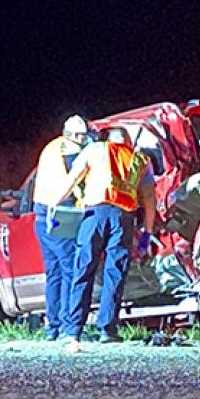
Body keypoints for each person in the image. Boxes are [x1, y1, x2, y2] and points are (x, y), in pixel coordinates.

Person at [54, 126, 155, 352]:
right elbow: (149, 199)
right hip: (123, 219)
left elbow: (73, 178)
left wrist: (55, 206)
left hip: (95, 216)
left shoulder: (95, 149)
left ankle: (73, 329)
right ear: (127, 141)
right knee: (115, 272)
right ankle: (107, 329)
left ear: (106, 138)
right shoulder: (139, 160)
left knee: (84, 268)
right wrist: (146, 235)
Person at [31, 115, 91, 341]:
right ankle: (68, 326)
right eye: (82, 136)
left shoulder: (51, 147)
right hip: (60, 214)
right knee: (70, 271)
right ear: (74, 135)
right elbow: (75, 179)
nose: (83, 140)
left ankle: (52, 327)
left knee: (53, 274)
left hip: (42, 215)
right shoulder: (72, 151)